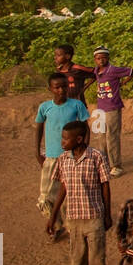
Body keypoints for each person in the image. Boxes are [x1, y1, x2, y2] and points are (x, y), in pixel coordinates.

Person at [46, 120, 113, 265]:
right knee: (77, 258)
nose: (62, 142)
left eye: (66, 139)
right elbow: (62, 188)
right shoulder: (63, 159)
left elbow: (105, 186)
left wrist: (107, 215)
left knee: (96, 258)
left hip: (94, 216)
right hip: (73, 219)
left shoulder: (96, 156)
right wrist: (53, 217)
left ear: (79, 139)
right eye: (62, 138)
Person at [35, 73, 91, 231]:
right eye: (57, 87)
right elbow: (39, 128)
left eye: (64, 86)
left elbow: (85, 127)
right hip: (52, 157)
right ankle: (56, 224)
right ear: (50, 89)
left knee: (70, 193)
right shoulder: (45, 107)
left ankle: (70, 226)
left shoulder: (76, 105)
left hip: (72, 156)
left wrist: (84, 149)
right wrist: (37, 152)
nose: (61, 90)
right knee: (45, 197)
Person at [89, 47, 133, 178]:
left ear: (108, 58)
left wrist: (122, 84)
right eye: (98, 58)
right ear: (95, 59)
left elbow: (132, 72)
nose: (101, 60)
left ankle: (116, 165)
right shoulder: (96, 71)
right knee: (101, 137)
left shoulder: (114, 70)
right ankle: (104, 163)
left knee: (112, 137)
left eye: (104, 57)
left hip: (112, 107)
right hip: (100, 108)